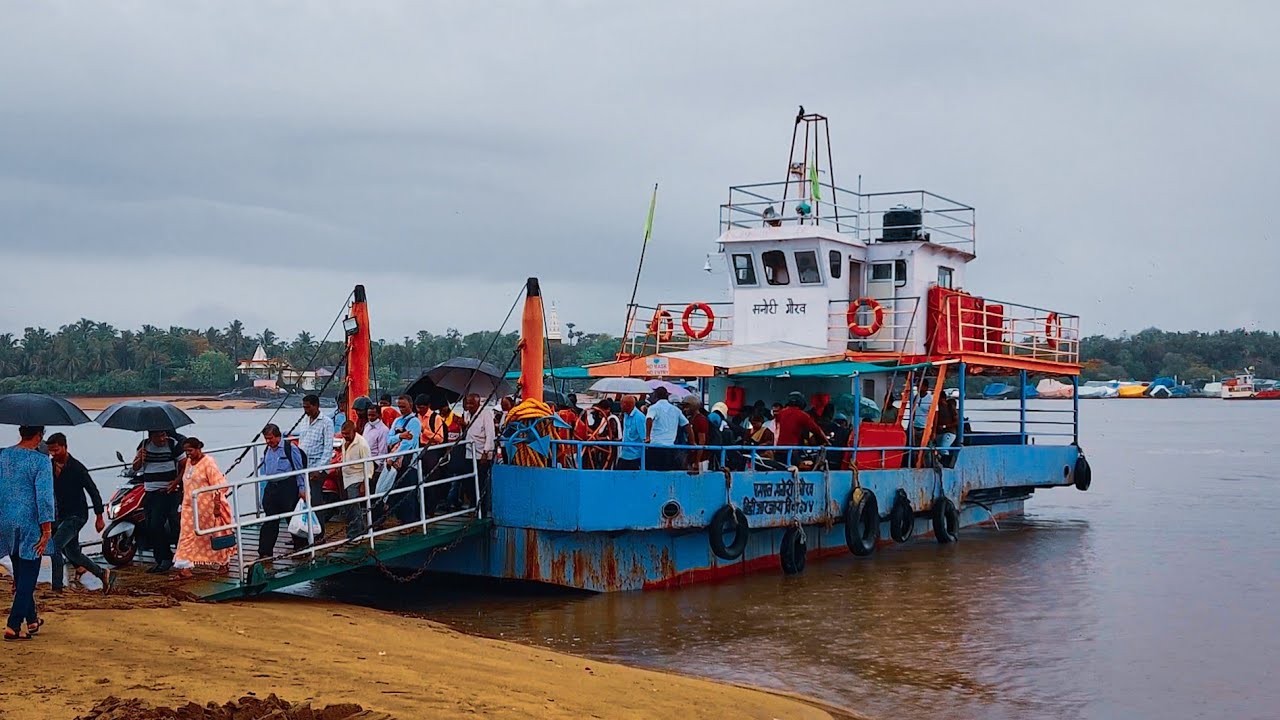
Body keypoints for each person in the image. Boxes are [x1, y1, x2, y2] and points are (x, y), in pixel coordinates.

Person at [1, 426, 54, 640]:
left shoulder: (3, 455)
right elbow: (44, 497)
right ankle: (13, 625)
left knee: (21, 573)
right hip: (29, 521)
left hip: (6, 520)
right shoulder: (41, 461)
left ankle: (31, 620)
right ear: (39, 436)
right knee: (29, 576)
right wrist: (47, 529)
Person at [46, 433, 113, 593]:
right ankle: (102, 573)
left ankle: (57, 588)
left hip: (77, 515)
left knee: (54, 547)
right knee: (72, 552)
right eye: (51, 451)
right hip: (60, 514)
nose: (53, 454)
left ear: (65, 447)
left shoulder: (77, 468)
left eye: (56, 450)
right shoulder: (49, 466)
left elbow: (93, 491)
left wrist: (99, 516)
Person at [172, 438, 235, 579]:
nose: (188, 454)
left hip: (208, 506)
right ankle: (185, 567)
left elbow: (219, 485)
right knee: (186, 535)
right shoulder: (189, 462)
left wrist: (217, 505)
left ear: (198, 448)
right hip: (189, 505)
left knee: (214, 535)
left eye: (190, 450)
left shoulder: (208, 463)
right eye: (186, 451)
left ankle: (223, 562)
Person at [131, 429, 183, 573]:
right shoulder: (144, 445)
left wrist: (176, 482)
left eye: (163, 435)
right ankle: (162, 558)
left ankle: (174, 557)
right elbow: (135, 468)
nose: (161, 439)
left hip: (169, 491)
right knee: (150, 525)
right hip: (150, 491)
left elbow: (185, 464)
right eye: (157, 436)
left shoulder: (173, 444)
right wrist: (139, 458)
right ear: (150, 436)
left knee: (166, 524)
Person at [255, 423, 308, 559]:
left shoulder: (289, 449)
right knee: (270, 519)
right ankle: (265, 552)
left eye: (270, 438)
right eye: (266, 439)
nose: (268, 441)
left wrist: (302, 489)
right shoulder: (267, 450)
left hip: (287, 485)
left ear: (278, 436)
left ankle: (301, 548)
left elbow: (300, 470)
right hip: (272, 486)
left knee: (292, 518)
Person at [384, 394, 423, 523]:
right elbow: (389, 440)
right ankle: (402, 519)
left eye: (404, 407)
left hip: (409, 463)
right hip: (395, 462)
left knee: (408, 493)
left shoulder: (415, 422)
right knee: (397, 492)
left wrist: (394, 457)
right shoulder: (397, 421)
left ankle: (411, 521)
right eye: (400, 407)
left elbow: (409, 444)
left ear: (410, 405)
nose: (401, 409)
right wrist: (400, 436)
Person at [296, 394, 333, 517]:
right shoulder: (305, 420)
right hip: (304, 465)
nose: (306, 411)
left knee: (315, 499)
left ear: (316, 406)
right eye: (304, 407)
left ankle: (319, 531)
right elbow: (302, 440)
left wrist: (319, 470)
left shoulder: (326, 422)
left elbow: (328, 448)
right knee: (302, 497)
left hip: (317, 466)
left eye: (308, 407)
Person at [336, 421, 373, 539]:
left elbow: (368, 464)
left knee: (353, 505)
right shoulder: (344, 441)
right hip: (346, 477)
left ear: (354, 431)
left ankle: (355, 533)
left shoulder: (362, 444)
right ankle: (358, 530)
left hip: (357, 477)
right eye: (343, 434)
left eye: (347, 434)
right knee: (349, 506)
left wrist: (364, 483)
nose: (345, 436)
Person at [459, 393, 496, 508]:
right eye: (467, 403)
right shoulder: (466, 415)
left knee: (481, 483)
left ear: (478, 403)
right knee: (468, 481)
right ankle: (473, 504)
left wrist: (486, 452)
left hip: (482, 455)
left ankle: (482, 510)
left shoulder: (486, 414)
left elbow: (490, 434)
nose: (469, 406)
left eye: (472, 403)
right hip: (470, 453)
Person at [773, 392, 826, 463]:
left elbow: (777, 431)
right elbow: (817, 430)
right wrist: (827, 441)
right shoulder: (802, 415)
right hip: (792, 451)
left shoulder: (781, 413)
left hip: (779, 451)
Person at [644, 387, 688, 471]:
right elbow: (687, 424)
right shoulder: (676, 410)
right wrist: (692, 442)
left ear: (656, 396)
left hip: (655, 447)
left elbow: (649, 419)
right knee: (668, 474)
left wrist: (647, 437)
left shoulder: (653, 408)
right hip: (670, 448)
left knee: (652, 474)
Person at [583, 399, 621, 470]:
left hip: (611, 450)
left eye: (602, 410)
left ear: (608, 409)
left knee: (608, 468)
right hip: (603, 450)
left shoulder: (612, 420)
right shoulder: (604, 419)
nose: (600, 413)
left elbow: (611, 437)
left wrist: (598, 438)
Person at [615, 395, 646, 470]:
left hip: (635, 456)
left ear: (626, 405)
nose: (620, 406)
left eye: (621, 404)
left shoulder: (639, 417)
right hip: (624, 454)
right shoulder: (625, 415)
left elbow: (644, 438)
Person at [681, 396, 710, 472]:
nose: (685, 409)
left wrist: (697, 461)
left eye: (687, 407)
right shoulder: (690, 419)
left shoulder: (700, 420)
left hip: (701, 460)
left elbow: (702, 442)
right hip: (692, 457)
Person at [934, 396, 959, 468]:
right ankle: (941, 463)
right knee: (938, 449)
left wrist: (945, 426)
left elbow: (957, 421)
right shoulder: (937, 408)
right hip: (940, 432)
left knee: (943, 448)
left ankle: (946, 465)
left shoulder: (950, 408)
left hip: (949, 432)